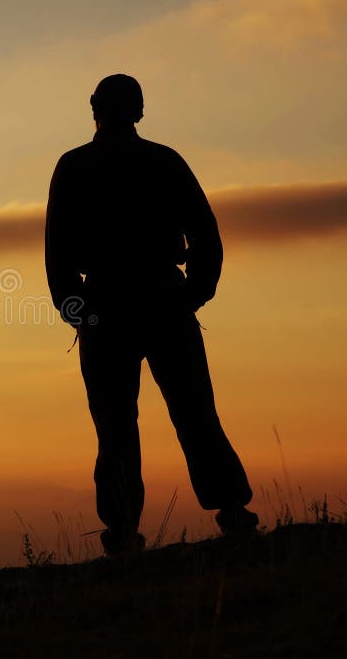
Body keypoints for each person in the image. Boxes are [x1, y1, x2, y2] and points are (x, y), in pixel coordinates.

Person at [45, 74, 258, 556]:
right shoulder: (162, 161)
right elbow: (206, 236)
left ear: (94, 107)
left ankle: (124, 533)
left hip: (116, 306)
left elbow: (58, 255)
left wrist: (79, 312)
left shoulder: (76, 166)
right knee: (192, 412)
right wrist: (191, 295)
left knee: (120, 425)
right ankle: (230, 511)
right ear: (139, 111)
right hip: (157, 301)